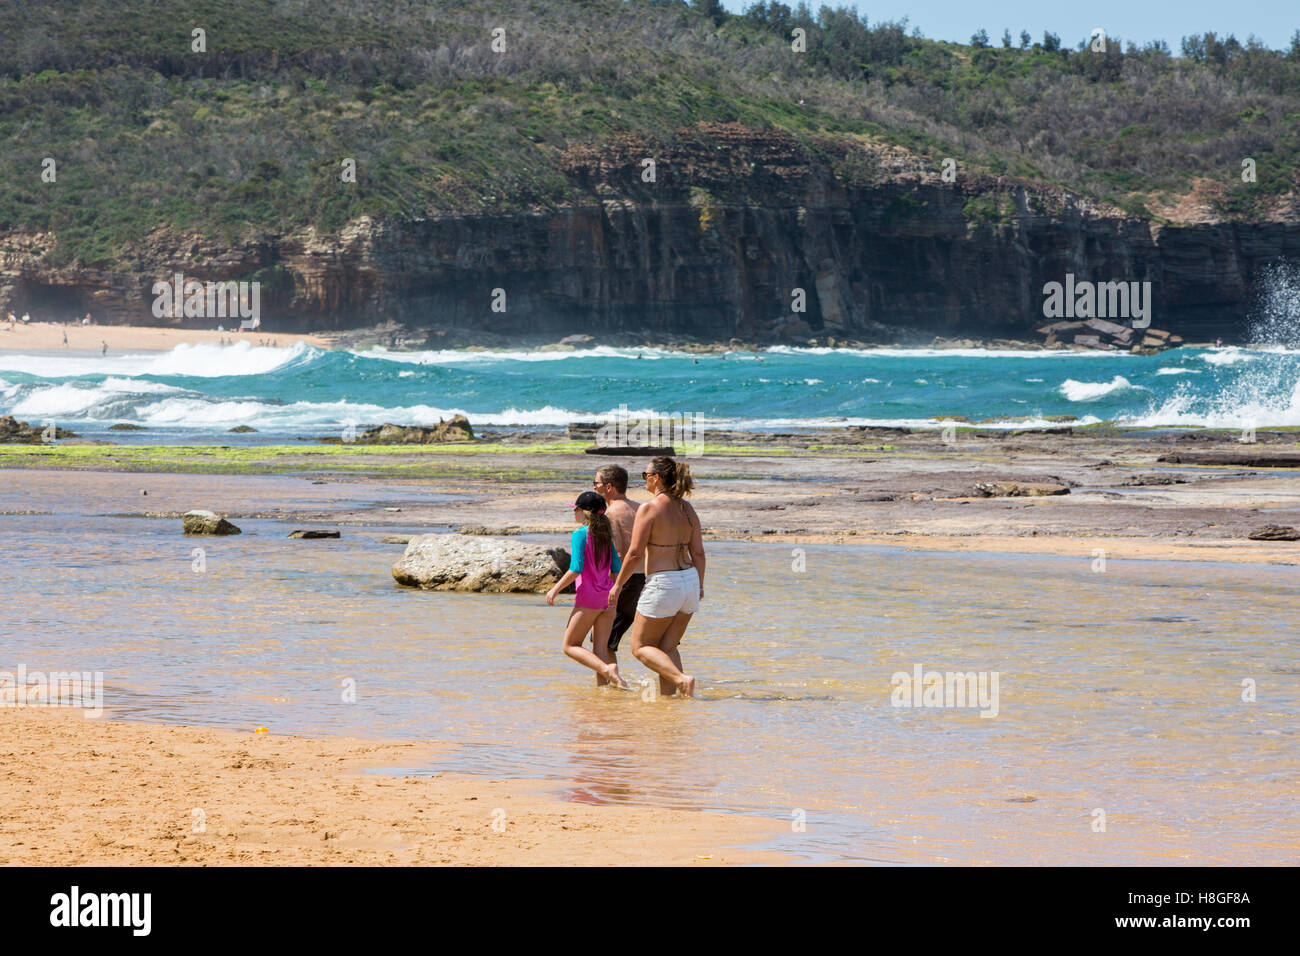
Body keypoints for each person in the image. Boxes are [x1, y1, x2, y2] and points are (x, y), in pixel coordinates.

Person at [608, 457, 704, 697]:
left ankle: (682, 680)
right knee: (667, 646)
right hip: (689, 580)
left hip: (664, 583)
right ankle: (673, 701)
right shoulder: (686, 508)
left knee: (640, 647)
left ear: (656, 478)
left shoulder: (649, 508)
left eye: (645, 474)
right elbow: (699, 552)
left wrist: (618, 585)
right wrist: (700, 584)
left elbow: (635, 552)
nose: (644, 479)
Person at [546, 491, 629, 689]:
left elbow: (576, 568)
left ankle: (609, 671)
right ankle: (605, 691)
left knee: (570, 646)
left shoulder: (580, 534)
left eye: (576, 508)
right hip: (608, 598)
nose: (574, 512)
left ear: (584, 512)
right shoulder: (605, 535)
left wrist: (555, 590)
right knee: (600, 649)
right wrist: (615, 591)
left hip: (589, 599)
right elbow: (617, 568)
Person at [594, 465, 642, 657]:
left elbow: (617, 554)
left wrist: (611, 586)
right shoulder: (640, 508)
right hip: (648, 578)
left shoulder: (611, 513)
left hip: (625, 580)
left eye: (596, 483)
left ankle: (609, 686)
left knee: (602, 641)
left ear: (609, 487)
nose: (594, 488)